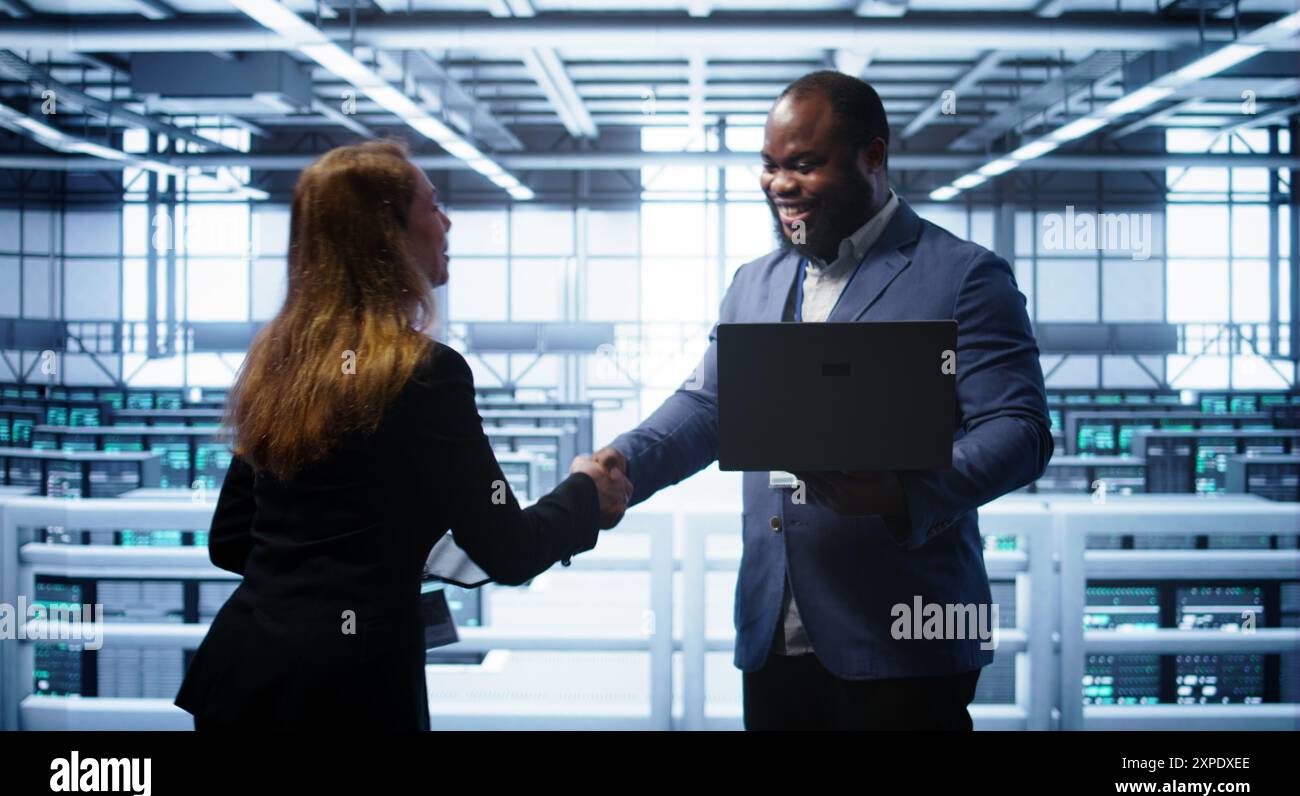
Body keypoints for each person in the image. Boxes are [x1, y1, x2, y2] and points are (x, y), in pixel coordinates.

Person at [589, 71, 1053, 730]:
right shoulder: (755, 282)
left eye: (804, 165)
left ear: (873, 155)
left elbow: (1020, 430)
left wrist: (903, 488)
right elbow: (709, 408)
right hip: (774, 636)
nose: (780, 183)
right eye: (771, 166)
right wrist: (621, 464)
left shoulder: (962, 276)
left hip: (904, 643)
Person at [174, 140, 632, 731]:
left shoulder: (281, 364)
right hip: (349, 693)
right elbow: (509, 550)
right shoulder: (426, 373)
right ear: (387, 238)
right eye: (432, 207)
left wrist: (362, 560)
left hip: (239, 679)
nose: (447, 223)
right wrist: (584, 493)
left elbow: (232, 538)